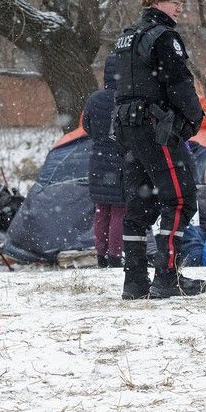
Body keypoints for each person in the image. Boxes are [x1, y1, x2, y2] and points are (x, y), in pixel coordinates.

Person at [111, 0, 206, 300]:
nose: (180, 7)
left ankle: (134, 281)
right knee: (180, 199)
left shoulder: (125, 38)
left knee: (139, 206)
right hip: (157, 128)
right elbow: (179, 83)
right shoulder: (164, 37)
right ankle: (167, 276)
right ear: (155, 3)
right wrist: (194, 118)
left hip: (128, 129)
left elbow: (119, 85)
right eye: (173, 1)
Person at [82, 53, 125, 268]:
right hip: (120, 159)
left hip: (98, 160)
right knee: (119, 210)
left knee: (101, 210)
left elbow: (87, 126)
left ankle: (101, 255)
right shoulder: (126, 98)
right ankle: (116, 255)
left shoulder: (94, 99)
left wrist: (100, 140)